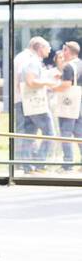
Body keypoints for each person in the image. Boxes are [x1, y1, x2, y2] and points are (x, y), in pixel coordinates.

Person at [13, 36, 56, 174]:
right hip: (33, 102)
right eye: (47, 47)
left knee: (27, 133)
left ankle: (27, 165)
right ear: (40, 47)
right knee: (49, 133)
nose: (49, 50)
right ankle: (39, 162)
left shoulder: (21, 58)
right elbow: (29, 81)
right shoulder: (31, 60)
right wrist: (48, 83)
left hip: (23, 101)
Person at [58, 41, 82, 172]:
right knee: (80, 134)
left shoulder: (68, 67)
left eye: (64, 50)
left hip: (68, 104)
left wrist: (53, 86)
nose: (62, 53)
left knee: (65, 134)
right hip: (79, 103)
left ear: (68, 51)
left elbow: (66, 85)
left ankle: (68, 164)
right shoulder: (80, 64)